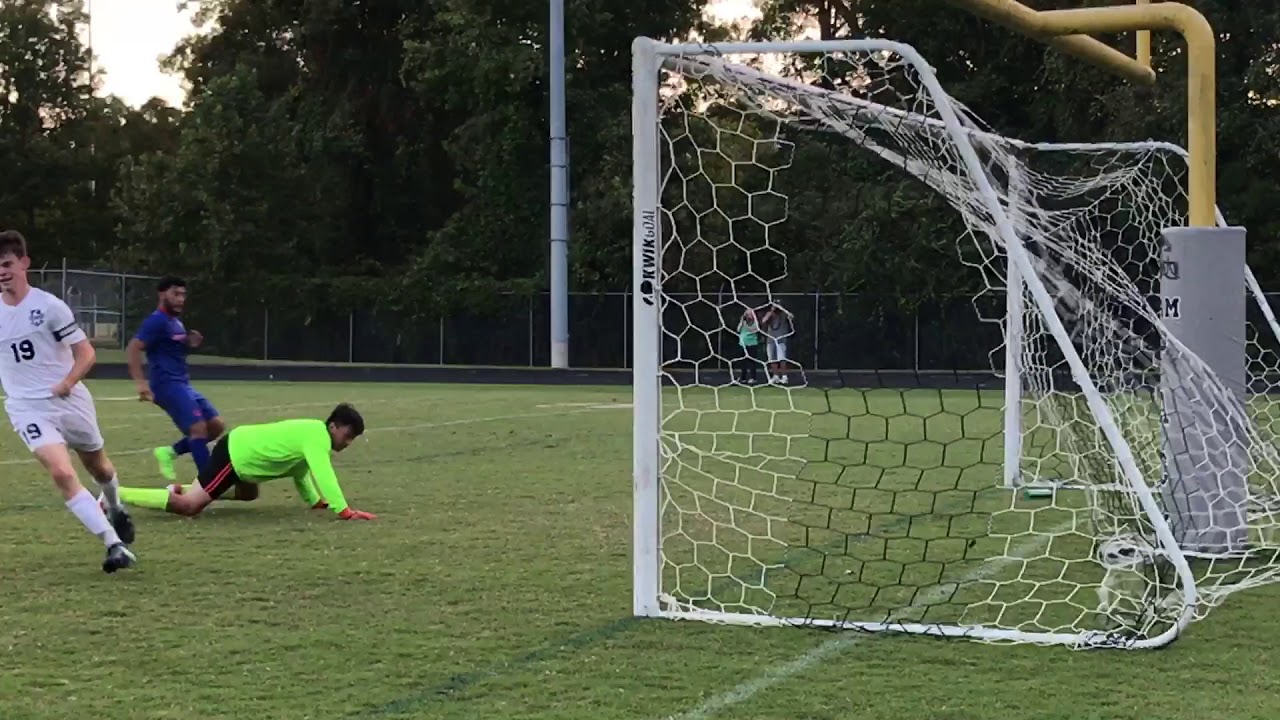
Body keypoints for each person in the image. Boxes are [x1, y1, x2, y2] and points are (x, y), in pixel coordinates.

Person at [0, 230, 136, 573]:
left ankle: (116, 507)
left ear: (24, 264)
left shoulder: (49, 307)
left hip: (69, 401)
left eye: (7, 264)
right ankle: (113, 544)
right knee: (62, 472)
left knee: (100, 467)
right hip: (26, 407)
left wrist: (68, 381)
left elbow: (86, 353)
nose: (2, 272)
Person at [117, 404, 377, 520]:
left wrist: (314, 501)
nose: (348, 442)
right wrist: (343, 510)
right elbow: (324, 473)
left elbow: (301, 472)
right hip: (235, 455)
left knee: (249, 492)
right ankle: (115, 495)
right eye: (347, 435)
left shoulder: (314, 434)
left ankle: (182, 489)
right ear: (333, 426)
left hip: (239, 451)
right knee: (189, 507)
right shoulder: (318, 437)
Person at [127, 276, 225, 481]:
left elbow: (171, 351)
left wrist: (190, 344)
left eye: (183, 295)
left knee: (215, 425)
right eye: (176, 294)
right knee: (198, 429)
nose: (181, 299)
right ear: (162, 294)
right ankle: (209, 484)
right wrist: (141, 383)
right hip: (166, 385)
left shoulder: (176, 323)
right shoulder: (156, 321)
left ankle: (169, 452)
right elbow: (134, 347)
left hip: (183, 384)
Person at [761, 300, 795, 385]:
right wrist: (771, 313)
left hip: (781, 339)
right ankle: (775, 375)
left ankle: (784, 376)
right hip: (771, 339)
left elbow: (791, 316)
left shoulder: (783, 315)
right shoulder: (770, 314)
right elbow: (763, 321)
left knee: (782, 358)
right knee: (772, 358)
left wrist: (782, 310)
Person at [736, 307, 764, 385]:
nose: (749, 315)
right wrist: (741, 321)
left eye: (751, 314)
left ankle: (753, 378)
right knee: (743, 362)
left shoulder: (755, 322)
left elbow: (755, 329)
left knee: (752, 362)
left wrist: (752, 319)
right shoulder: (743, 322)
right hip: (743, 344)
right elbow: (738, 330)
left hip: (752, 343)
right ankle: (743, 378)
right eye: (748, 314)